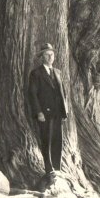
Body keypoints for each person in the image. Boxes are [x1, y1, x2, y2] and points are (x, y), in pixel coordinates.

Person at [28, 43, 67, 182]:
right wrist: (39, 112)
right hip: (45, 113)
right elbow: (32, 94)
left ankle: (57, 168)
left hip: (58, 112)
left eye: (52, 54)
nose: (50, 57)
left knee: (57, 140)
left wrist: (64, 111)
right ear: (42, 57)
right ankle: (49, 169)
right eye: (47, 54)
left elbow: (63, 93)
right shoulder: (36, 73)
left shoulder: (58, 72)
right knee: (47, 141)